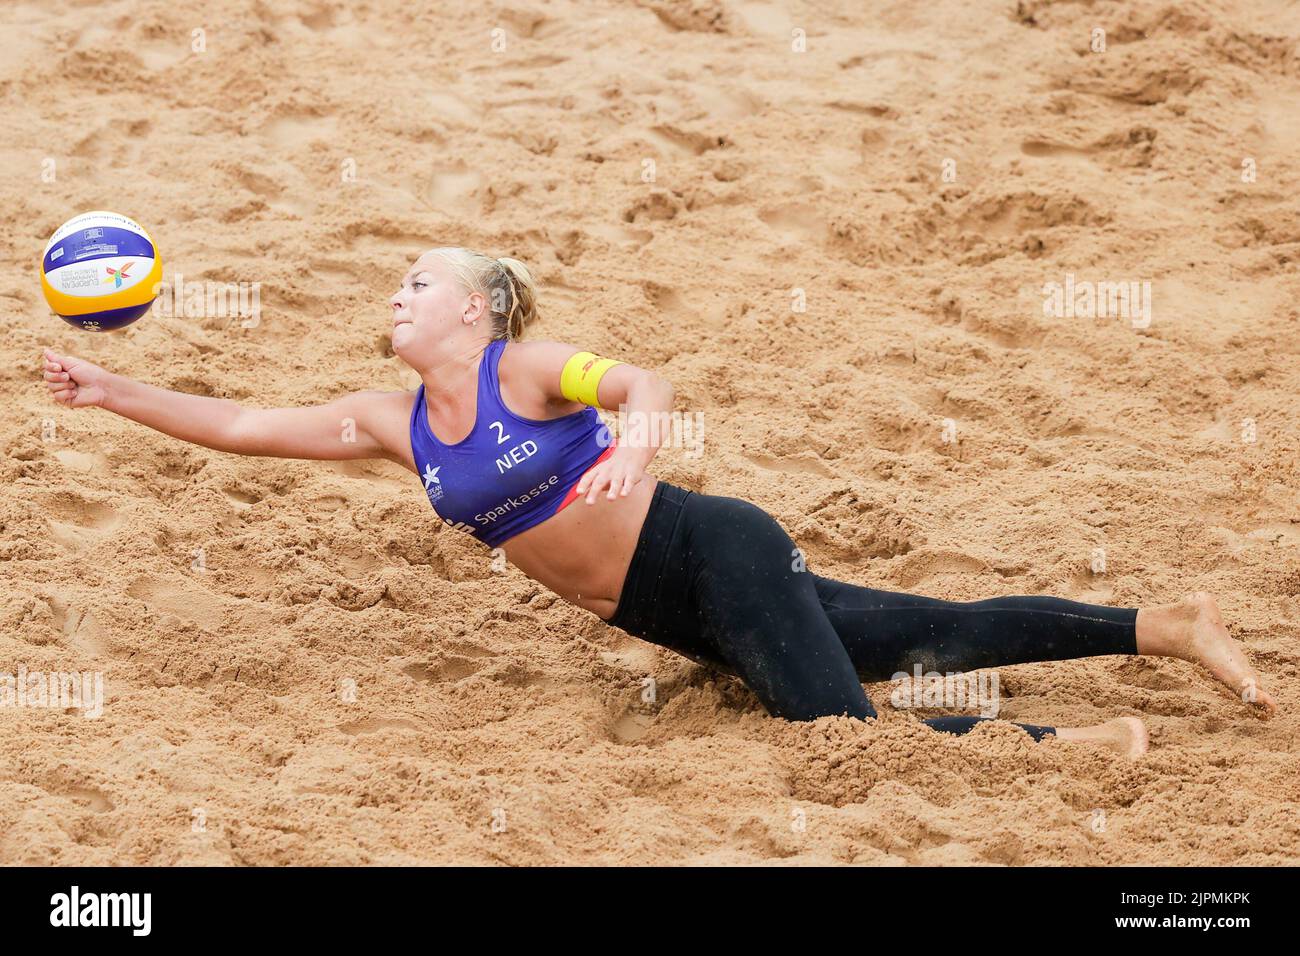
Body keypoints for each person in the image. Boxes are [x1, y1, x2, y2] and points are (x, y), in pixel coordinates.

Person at [41, 246, 1277, 758]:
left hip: (712, 548)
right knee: (918, 636)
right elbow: (245, 427)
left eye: (420, 281)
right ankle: (1158, 627)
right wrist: (111, 386)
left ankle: (1071, 749)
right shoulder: (389, 419)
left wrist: (638, 438)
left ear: (473, 310)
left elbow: (641, 375)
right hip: (668, 607)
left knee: (833, 726)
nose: (400, 294)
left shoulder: (524, 368)